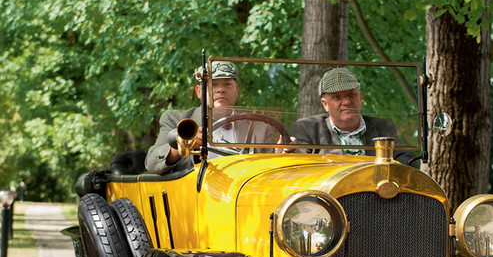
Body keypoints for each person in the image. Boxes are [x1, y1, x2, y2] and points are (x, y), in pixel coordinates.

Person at [145, 61, 277, 175]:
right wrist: (183, 144)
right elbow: (152, 163)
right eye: (213, 85)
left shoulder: (260, 126)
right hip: (197, 193)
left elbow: (270, 170)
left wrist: (281, 154)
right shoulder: (176, 120)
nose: (221, 90)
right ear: (199, 91)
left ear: (237, 90)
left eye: (227, 84)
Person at [289, 67, 417, 166]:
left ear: (360, 97)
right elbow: (297, 167)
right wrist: (285, 153)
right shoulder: (307, 129)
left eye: (351, 95)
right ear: (325, 104)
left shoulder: (383, 127)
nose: (346, 102)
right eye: (337, 97)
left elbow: (407, 162)